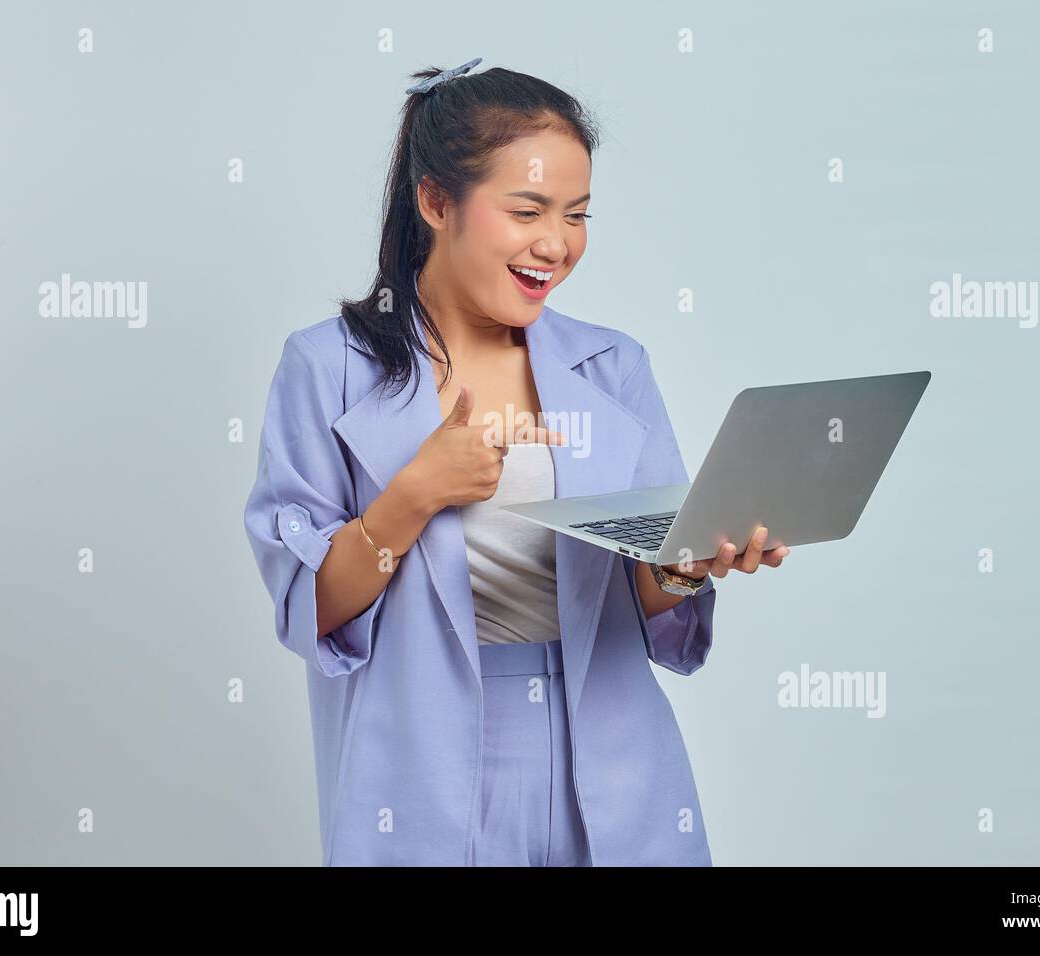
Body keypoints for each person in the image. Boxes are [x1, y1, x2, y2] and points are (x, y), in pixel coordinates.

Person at [243, 58, 788, 866]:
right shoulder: (328, 368)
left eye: (577, 215)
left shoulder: (614, 366)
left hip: (606, 753)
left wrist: (686, 565)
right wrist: (415, 494)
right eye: (527, 210)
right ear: (436, 202)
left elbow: (648, 600)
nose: (556, 244)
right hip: (418, 766)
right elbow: (311, 611)